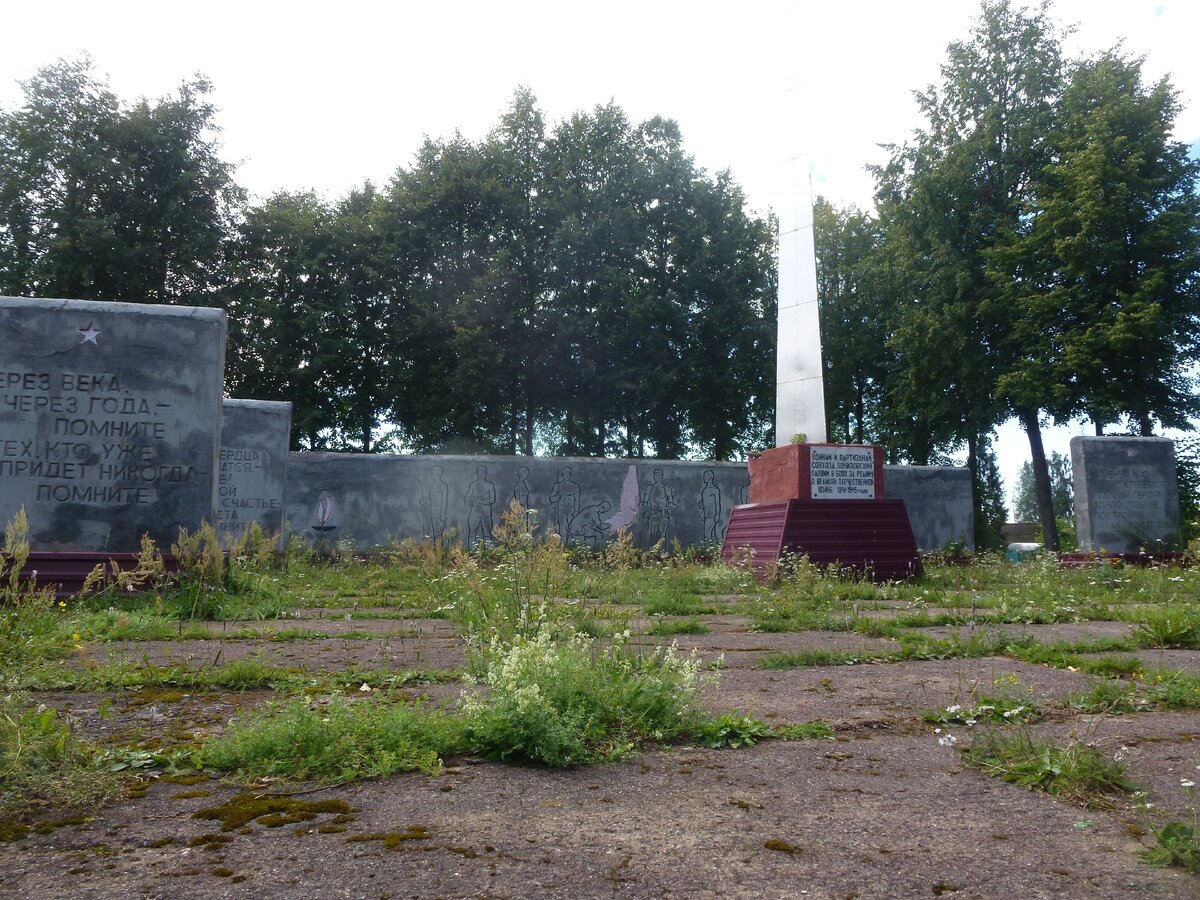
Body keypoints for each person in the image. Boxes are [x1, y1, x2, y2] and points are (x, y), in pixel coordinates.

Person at [465, 465, 496, 548]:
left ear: (485, 473)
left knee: (487, 534)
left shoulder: (490, 485)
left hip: (486, 512)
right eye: (480, 471)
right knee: (472, 533)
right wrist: (471, 503)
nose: (481, 473)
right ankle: (471, 551)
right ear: (477, 473)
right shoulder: (473, 485)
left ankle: (489, 552)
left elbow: (492, 500)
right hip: (474, 511)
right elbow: (467, 497)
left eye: (483, 472)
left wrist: (480, 501)